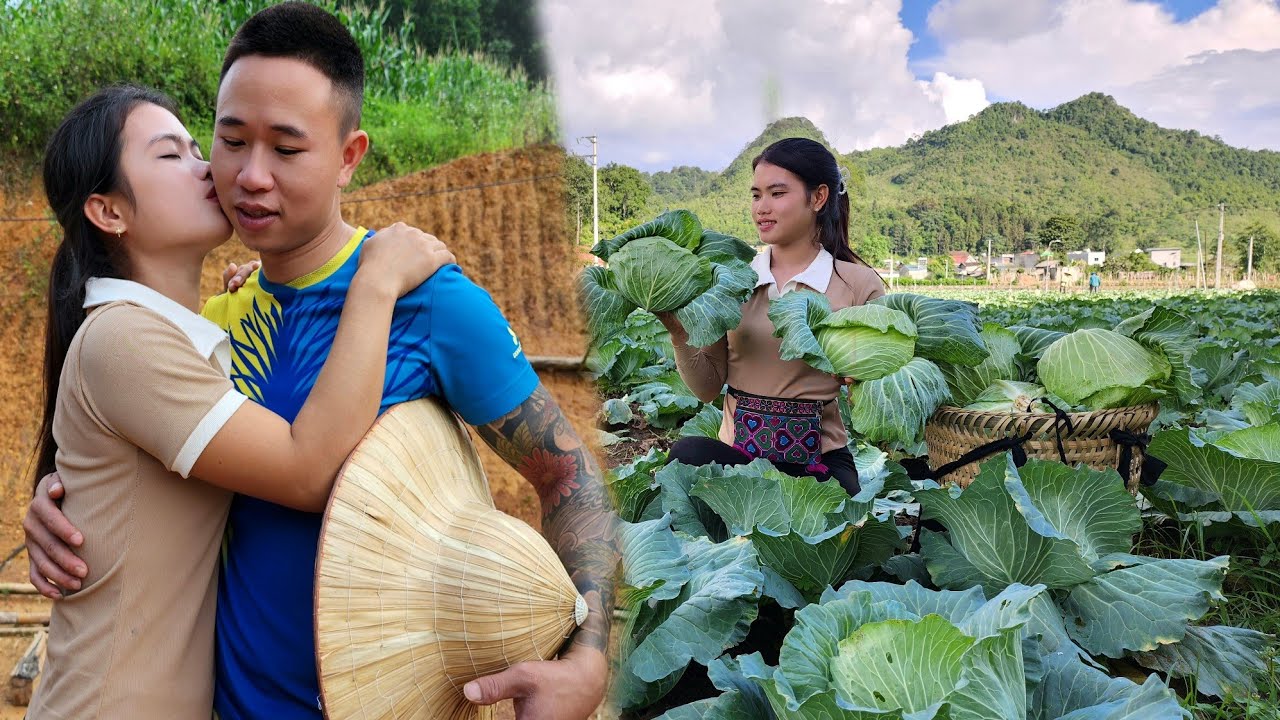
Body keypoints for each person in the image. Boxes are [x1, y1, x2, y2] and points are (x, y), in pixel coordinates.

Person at [24, 4, 617, 720]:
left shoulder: (430, 303)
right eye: (232, 140)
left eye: (288, 149)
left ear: (349, 156)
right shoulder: (210, 328)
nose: (249, 175)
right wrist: (64, 505)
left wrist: (589, 656)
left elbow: (568, 475)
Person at [24, 85, 452, 719]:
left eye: (200, 147)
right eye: (171, 156)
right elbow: (307, 471)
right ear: (108, 212)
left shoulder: (173, 335)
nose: (207, 167)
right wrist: (375, 282)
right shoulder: (125, 339)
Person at [655, 138, 885, 496]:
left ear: (819, 197)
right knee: (687, 454)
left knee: (839, 509)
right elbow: (707, 388)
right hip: (739, 462)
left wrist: (863, 383)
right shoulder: (730, 281)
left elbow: (876, 395)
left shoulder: (858, 284)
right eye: (756, 195)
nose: (762, 207)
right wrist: (676, 331)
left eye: (777, 193)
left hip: (819, 466)